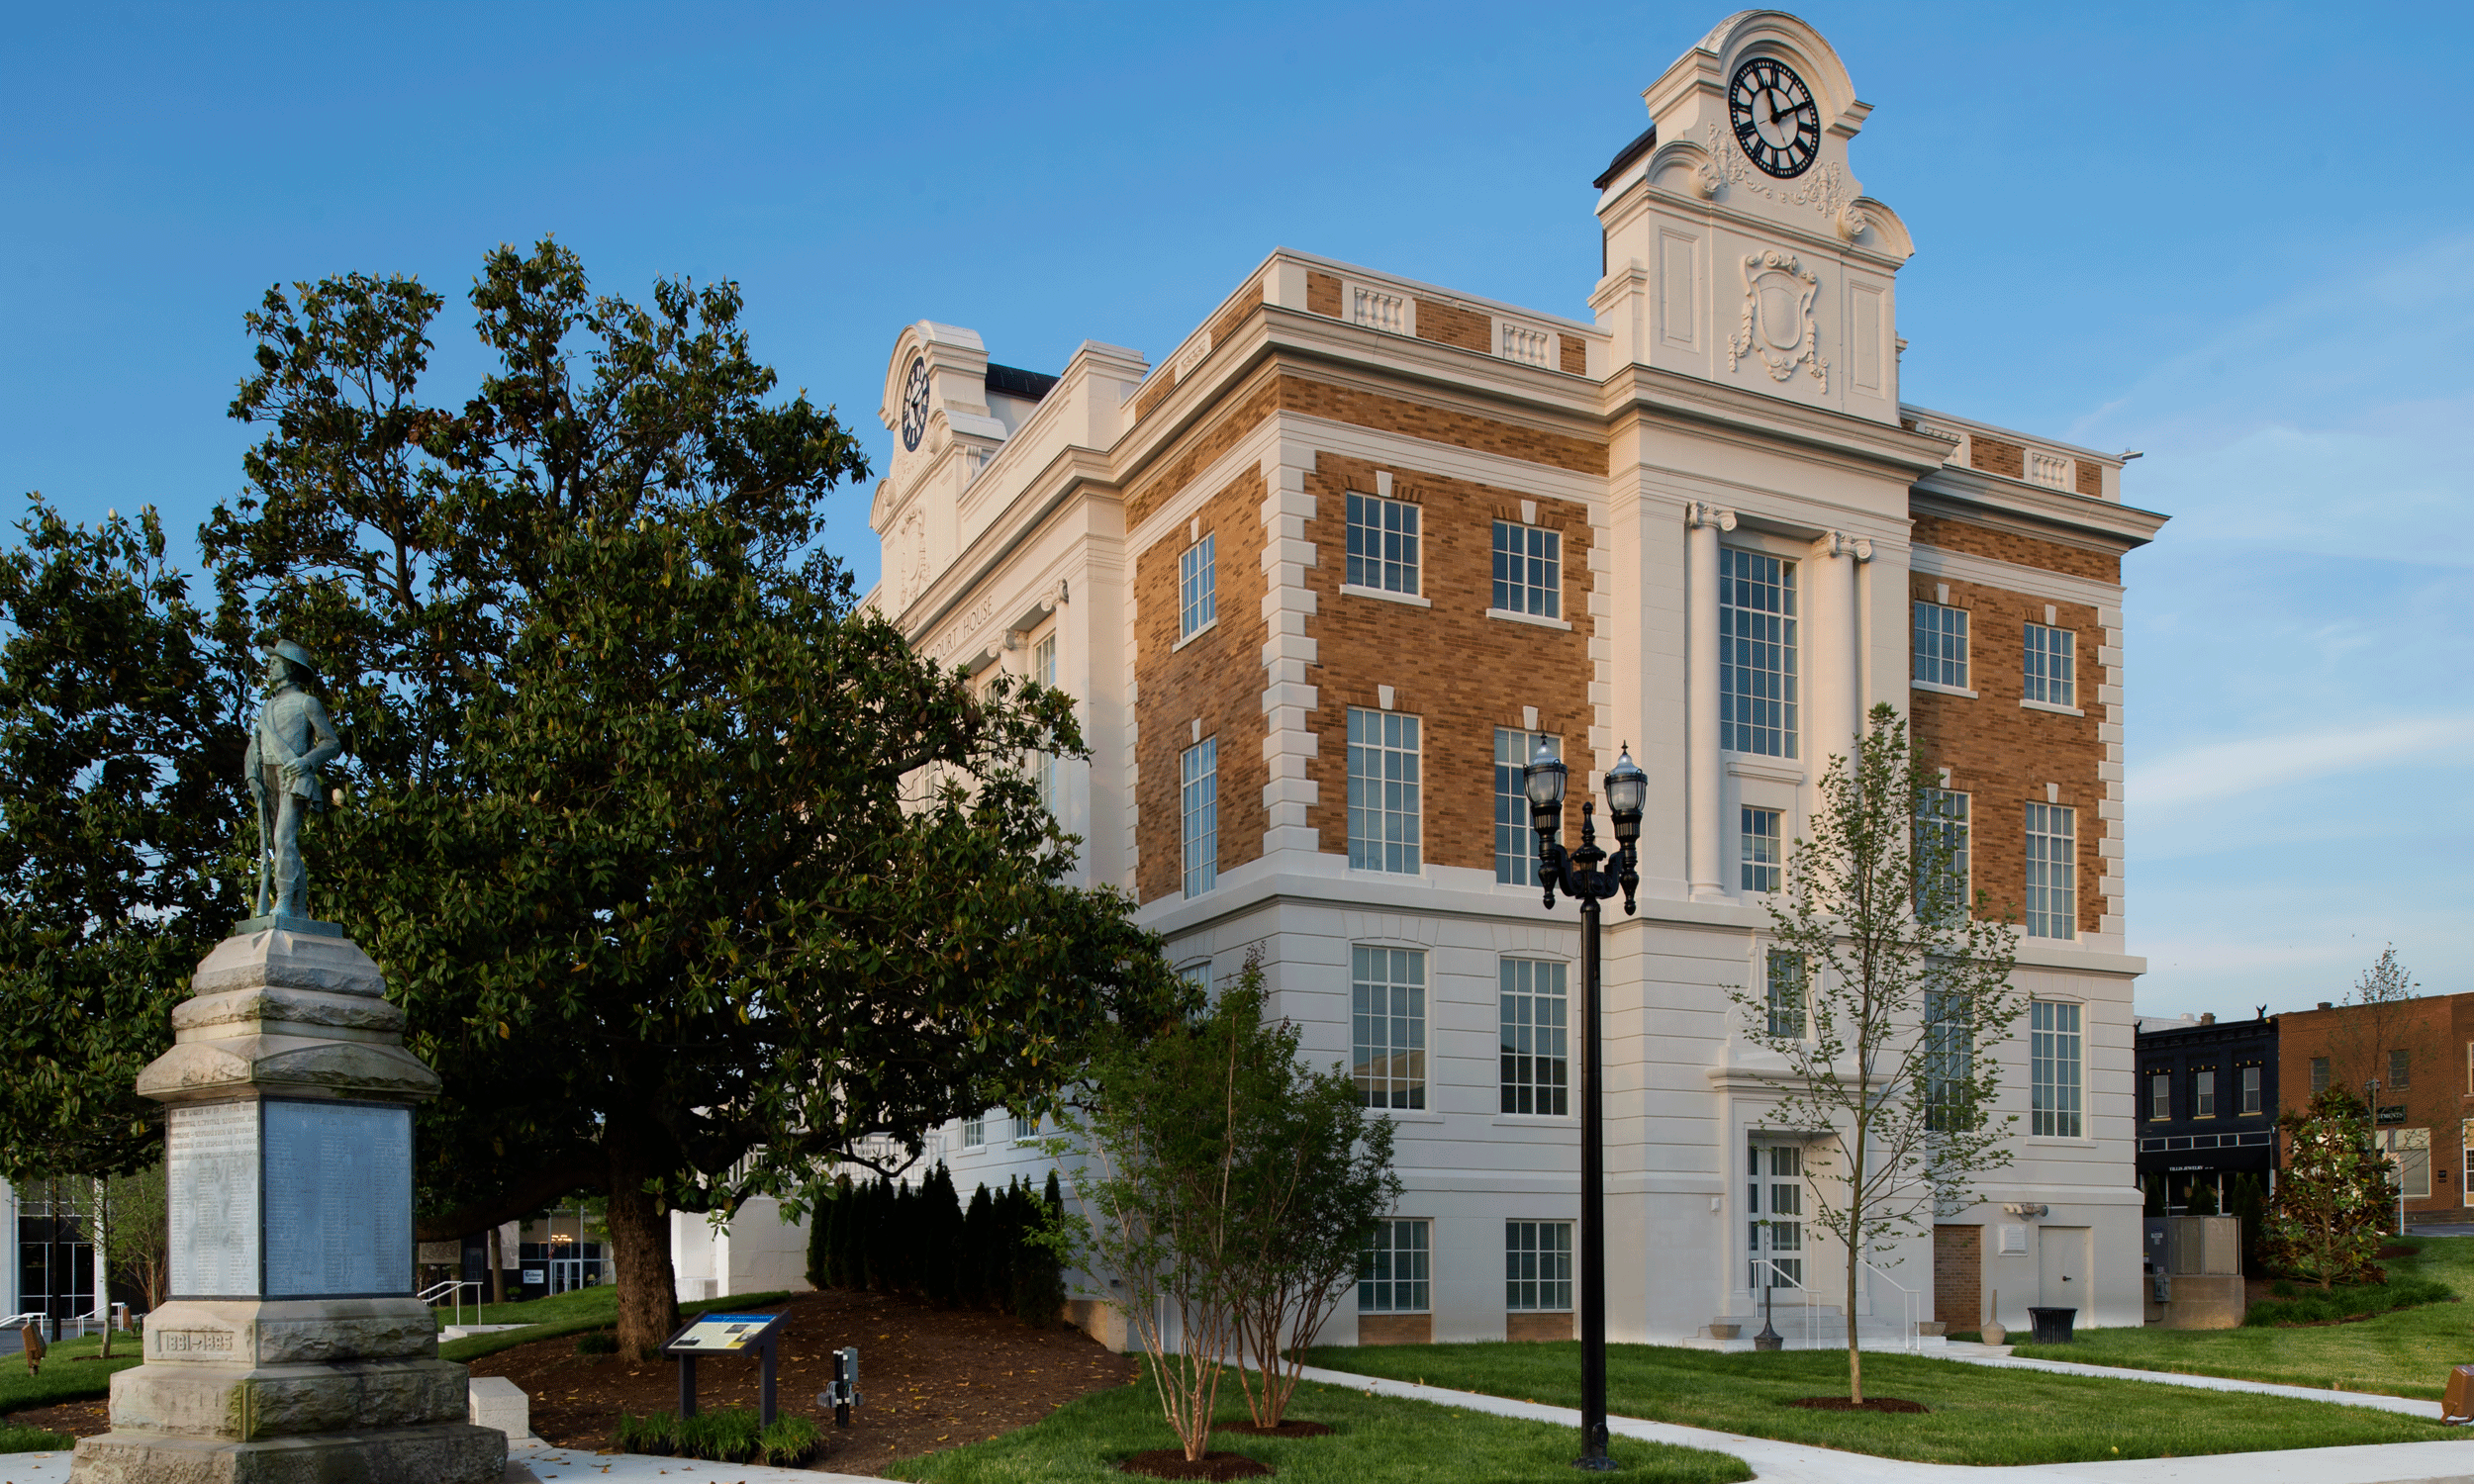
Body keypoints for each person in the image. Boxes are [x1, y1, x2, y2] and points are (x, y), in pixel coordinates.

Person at [243, 640, 342, 920]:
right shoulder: (267, 708)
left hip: (293, 775)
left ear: (289, 667)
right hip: (268, 777)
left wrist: (307, 760)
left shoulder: (307, 703)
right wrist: (252, 777)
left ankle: (285, 901)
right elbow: (255, 745)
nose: (270, 667)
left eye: (275, 662)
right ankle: (298, 904)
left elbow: (331, 743)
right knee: (277, 843)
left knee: (283, 838)